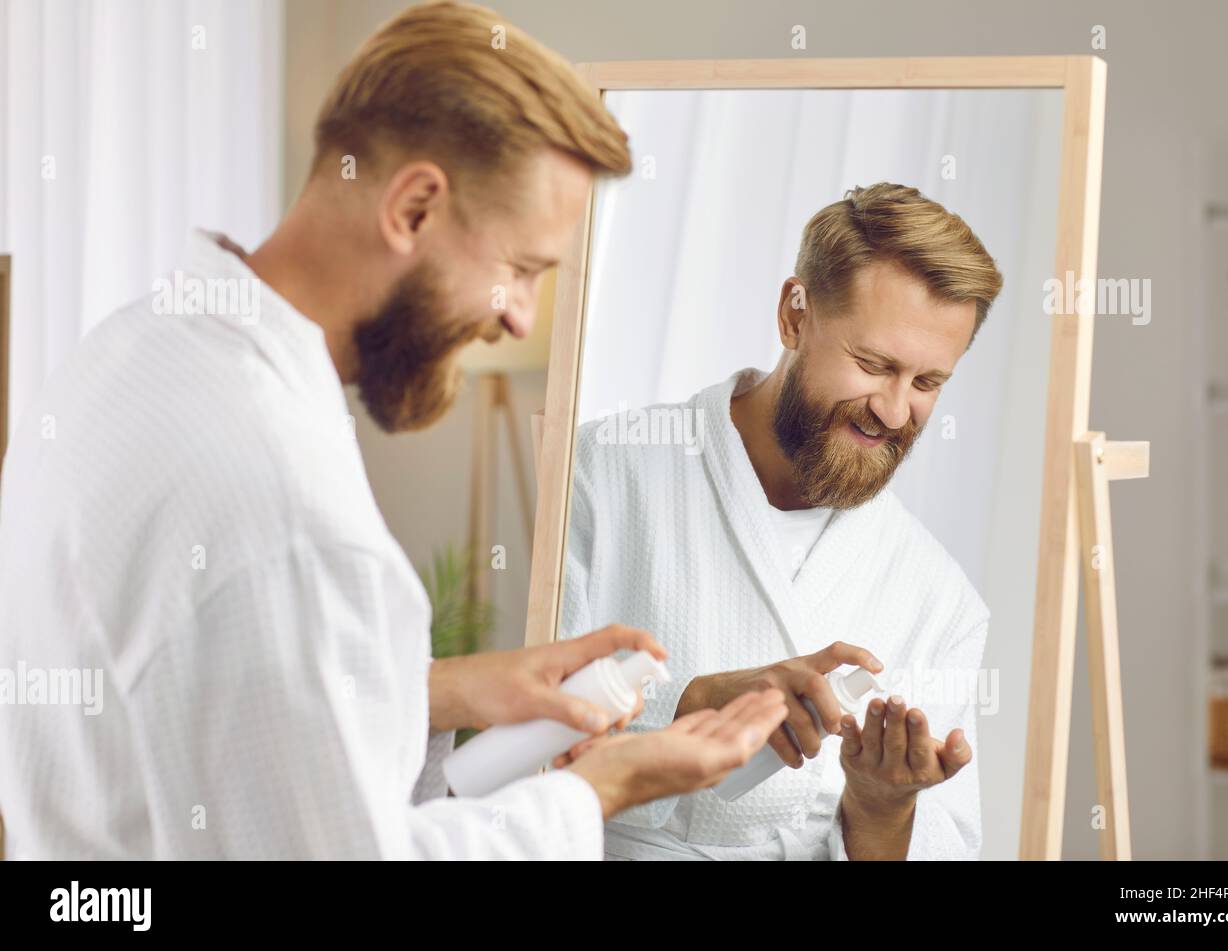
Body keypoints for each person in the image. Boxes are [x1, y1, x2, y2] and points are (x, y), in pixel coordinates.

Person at [0, 0, 787, 860]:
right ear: (413, 207)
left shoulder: (129, 349)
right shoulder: (281, 498)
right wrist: (599, 788)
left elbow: (214, 711)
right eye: (520, 271)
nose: (522, 320)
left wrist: (446, 691)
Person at [560, 183, 1003, 859]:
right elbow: (504, 732)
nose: (891, 409)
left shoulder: (939, 596)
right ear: (794, 315)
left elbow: (944, 844)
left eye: (926, 383)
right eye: (874, 364)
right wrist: (697, 700)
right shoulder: (601, 473)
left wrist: (881, 808)